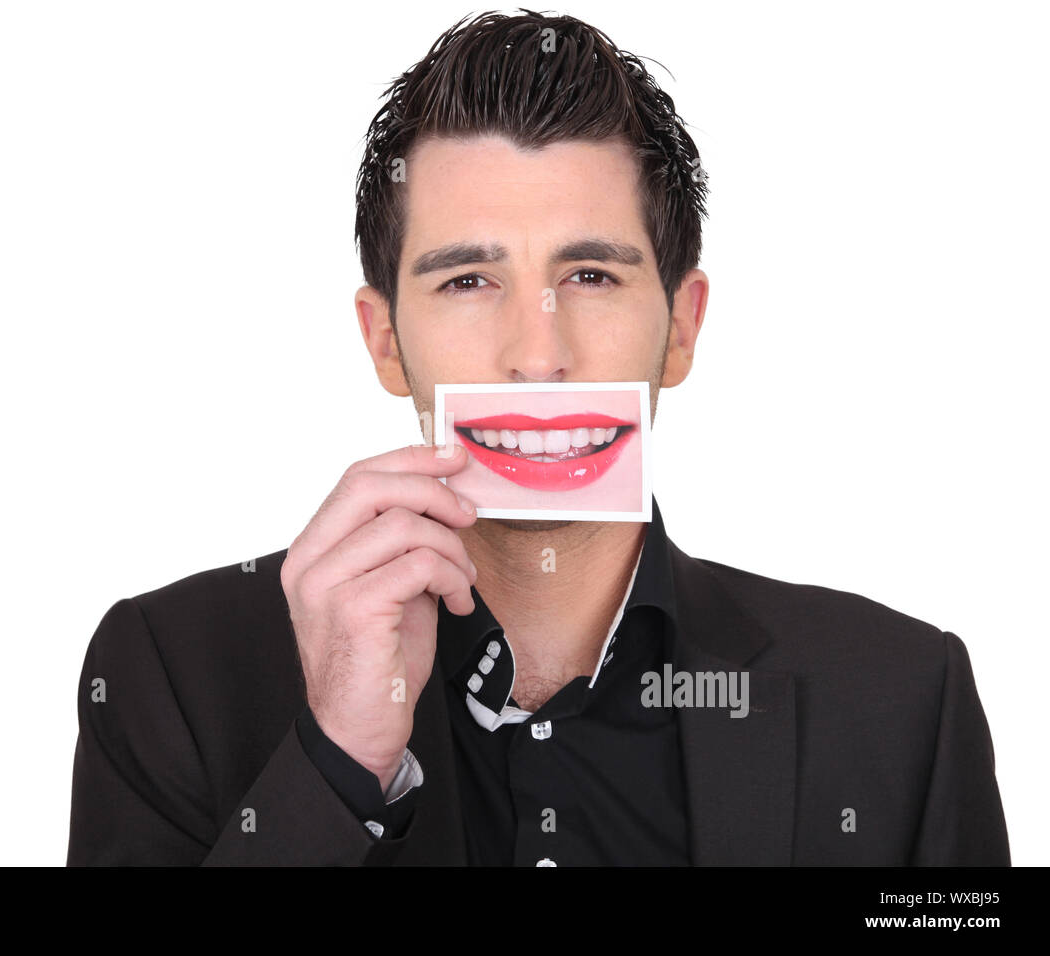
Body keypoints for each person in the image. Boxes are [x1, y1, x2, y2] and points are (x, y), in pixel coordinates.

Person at [65, 10, 1009, 866]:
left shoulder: (899, 699)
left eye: (592, 274)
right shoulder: (169, 673)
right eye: (468, 281)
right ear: (386, 342)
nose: (539, 354)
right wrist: (337, 770)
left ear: (680, 328)